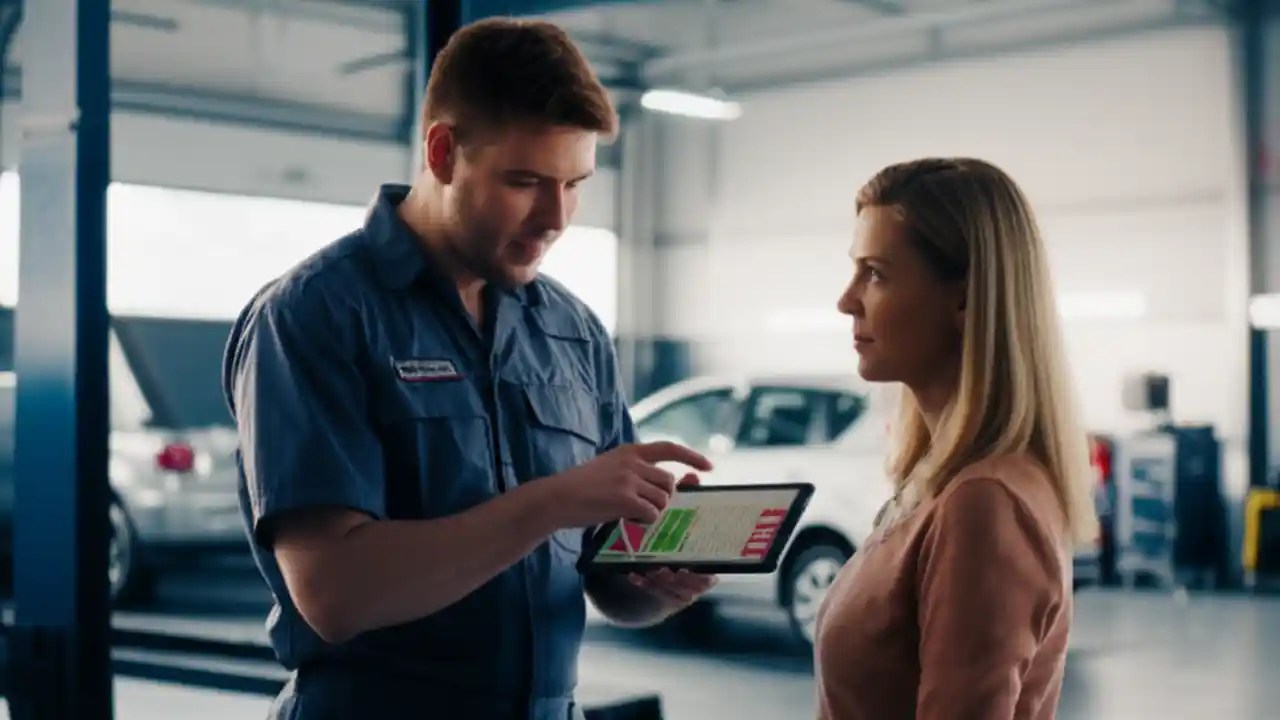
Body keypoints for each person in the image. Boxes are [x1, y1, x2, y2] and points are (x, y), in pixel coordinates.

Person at [221, 18, 717, 720]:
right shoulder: (314, 316)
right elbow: (336, 594)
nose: (556, 217)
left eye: (575, 183)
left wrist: (654, 585)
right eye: (525, 181)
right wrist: (552, 501)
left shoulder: (572, 333)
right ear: (443, 151)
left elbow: (607, 583)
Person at [813, 158, 1099, 719]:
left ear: (966, 299)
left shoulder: (984, 505)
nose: (847, 301)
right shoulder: (944, 483)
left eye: (876, 273)